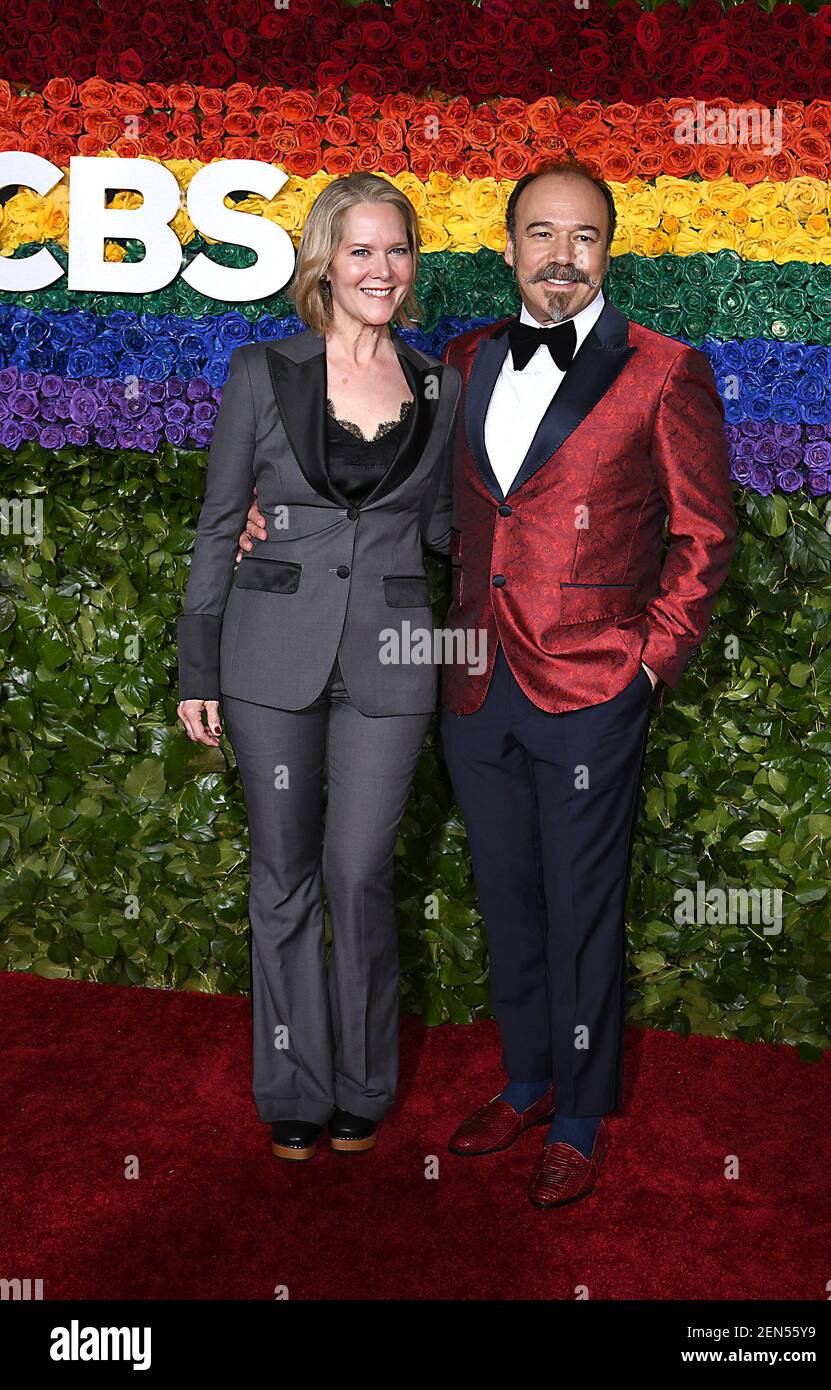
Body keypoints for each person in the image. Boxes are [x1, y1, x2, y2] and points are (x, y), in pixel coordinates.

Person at [239, 157, 737, 1207]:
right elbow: (404, 508)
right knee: (506, 897)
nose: (561, 256)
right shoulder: (456, 362)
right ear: (506, 247)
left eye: (583, 236)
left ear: (607, 249)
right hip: (469, 682)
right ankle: (523, 1078)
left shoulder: (663, 368)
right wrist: (269, 521)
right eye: (540, 235)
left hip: (593, 685)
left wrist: (647, 667)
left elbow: (702, 536)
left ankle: (575, 1114)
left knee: (583, 905)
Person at [176, 172, 460, 1163]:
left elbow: (442, 528)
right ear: (323, 262)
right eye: (360, 250)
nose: (380, 268)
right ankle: (292, 1084)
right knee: (284, 873)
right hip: (266, 657)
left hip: (391, 660)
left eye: (397, 249)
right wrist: (195, 666)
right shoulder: (264, 372)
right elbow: (219, 526)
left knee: (357, 870)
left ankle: (365, 1083)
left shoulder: (438, 383)